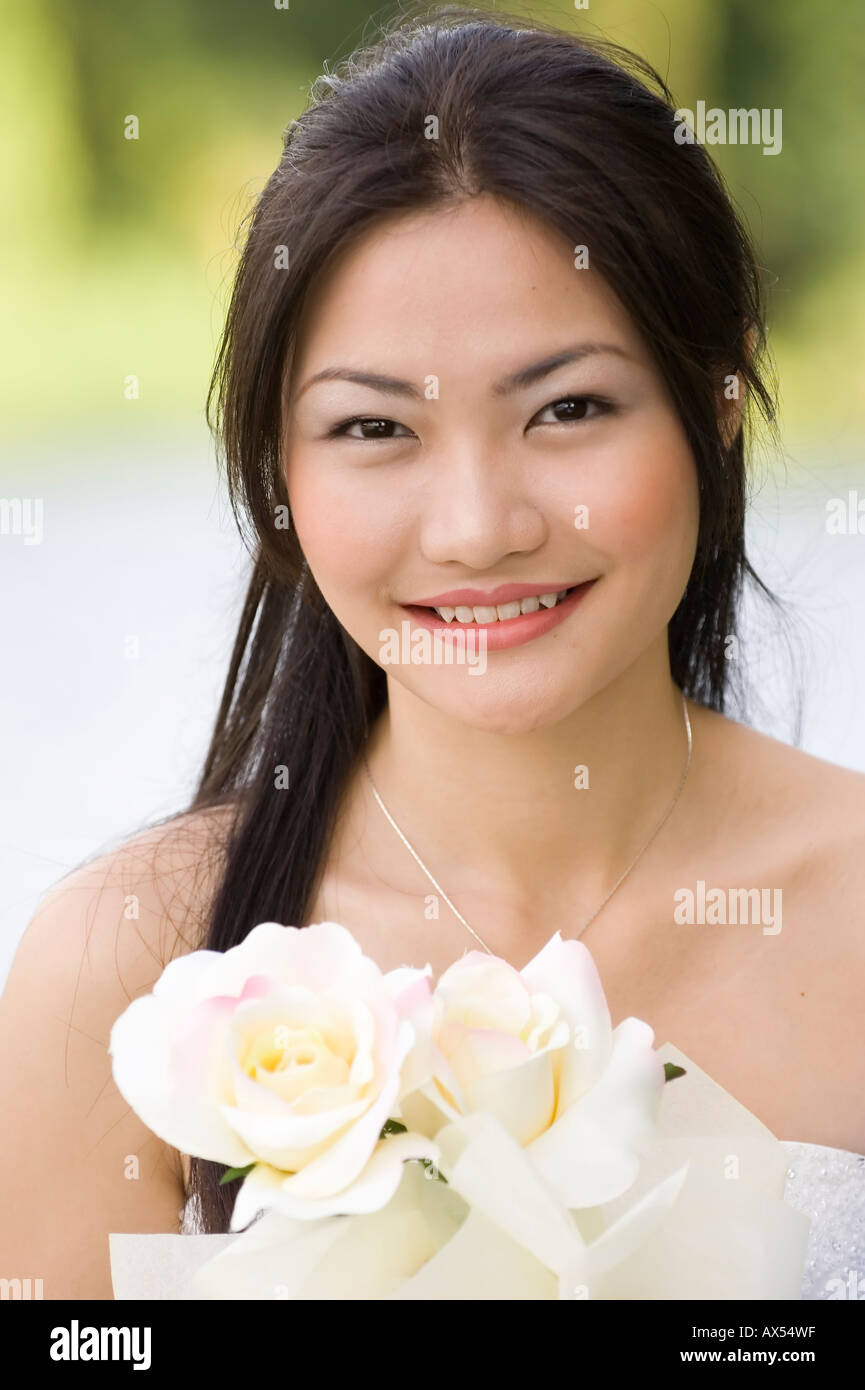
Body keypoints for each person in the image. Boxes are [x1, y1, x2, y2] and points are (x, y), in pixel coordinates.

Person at [2, 6, 863, 1300]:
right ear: (276, 468)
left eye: (566, 408)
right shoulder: (120, 966)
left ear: (719, 400)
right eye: (372, 429)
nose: (477, 529)